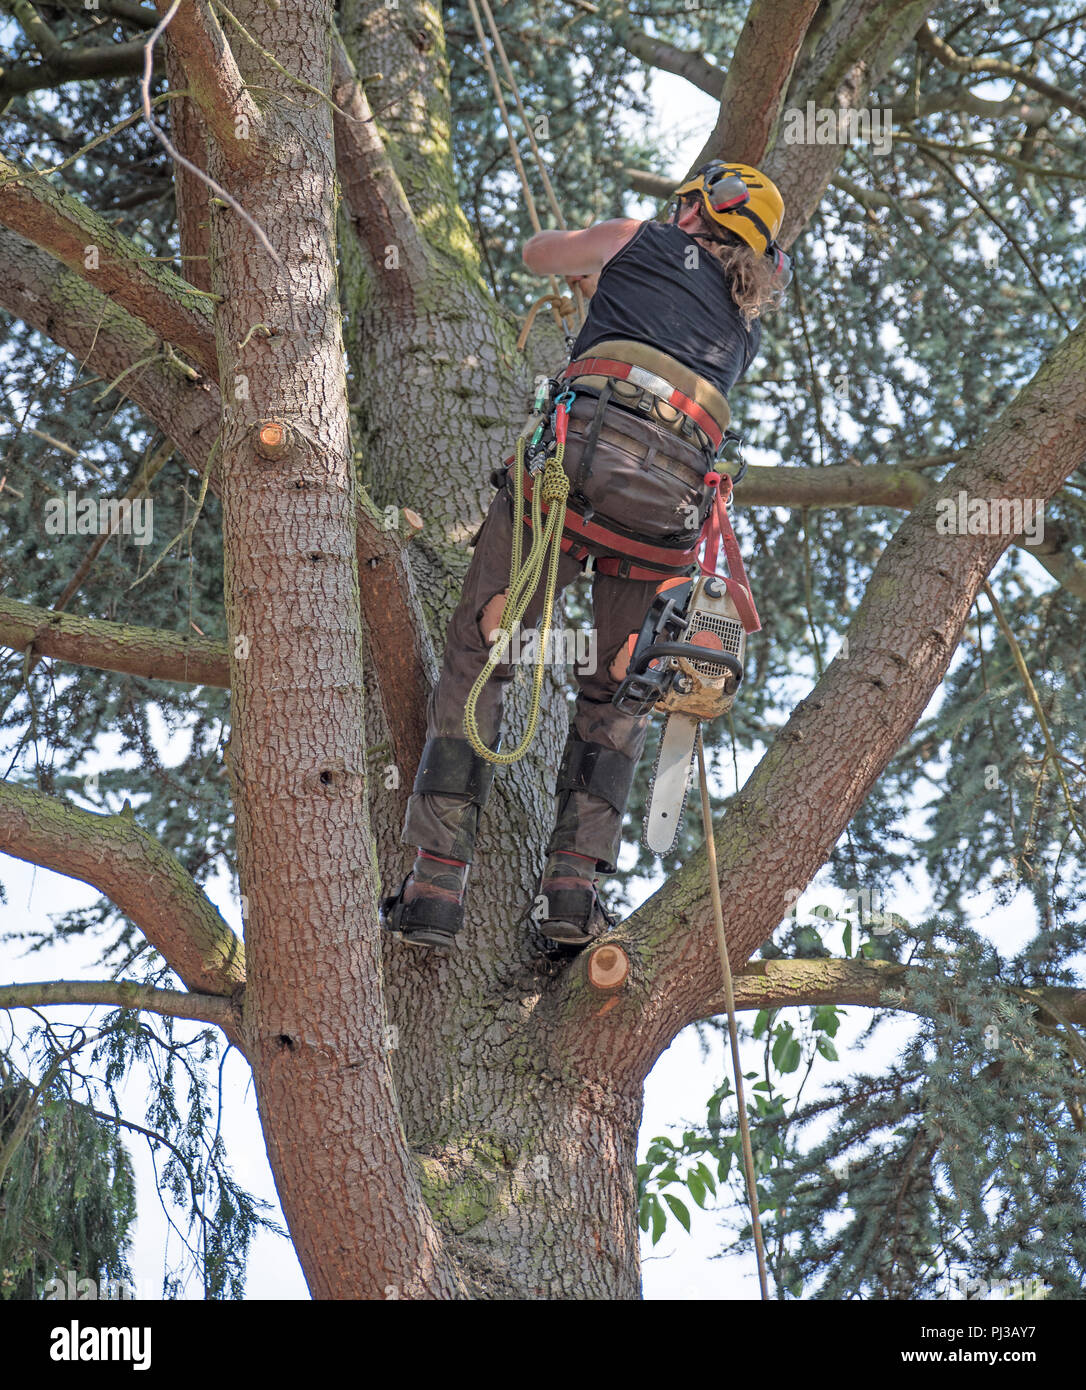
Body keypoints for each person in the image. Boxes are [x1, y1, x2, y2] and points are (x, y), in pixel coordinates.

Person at [381, 161, 788, 951]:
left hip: (573, 474)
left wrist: (597, 262)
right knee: (617, 689)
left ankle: (436, 879)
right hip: (665, 517)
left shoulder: (639, 240)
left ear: (696, 210)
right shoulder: (744, 328)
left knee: (487, 647)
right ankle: (572, 891)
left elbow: (540, 253)